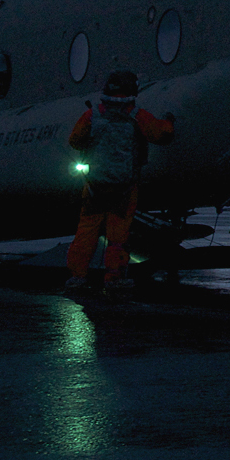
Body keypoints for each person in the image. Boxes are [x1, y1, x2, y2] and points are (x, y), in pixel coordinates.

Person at [65, 69, 176, 295]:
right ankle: (113, 277)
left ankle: (78, 276)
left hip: (94, 186)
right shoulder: (138, 116)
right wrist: (169, 122)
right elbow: (161, 135)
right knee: (118, 237)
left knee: (86, 231)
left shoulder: (92, 115)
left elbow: (75, 140)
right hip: (124, 188)